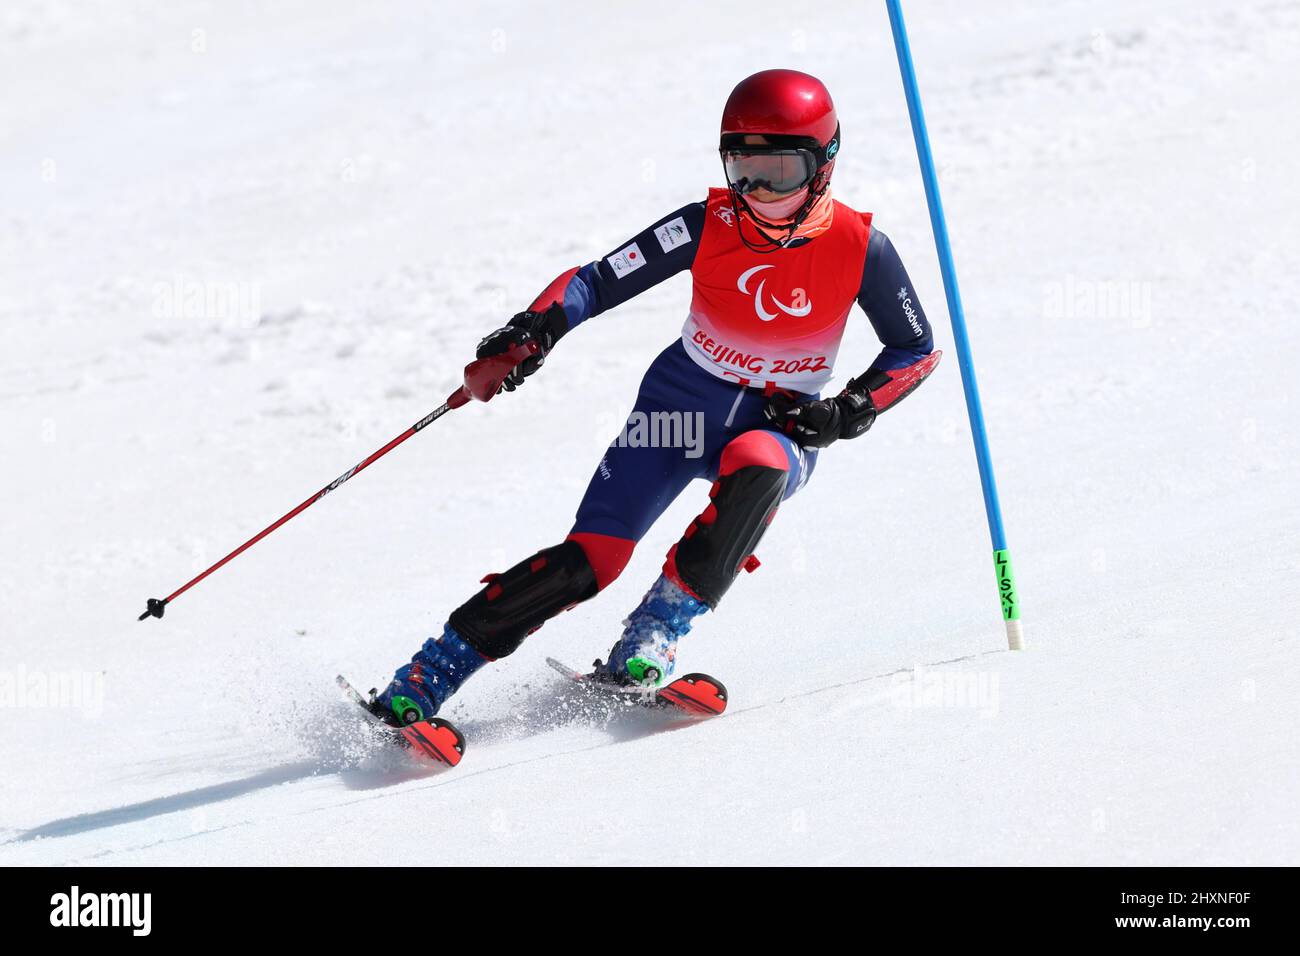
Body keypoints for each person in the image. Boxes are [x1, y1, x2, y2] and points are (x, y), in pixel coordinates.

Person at [368, 68, 939, 727]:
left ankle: (653, 634)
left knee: (763, 466)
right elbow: (595, 282)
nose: (755, 192)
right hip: (676, 413)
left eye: (776, 173)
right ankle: (426, 677)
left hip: (781, 424)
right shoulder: (708, 224)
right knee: (590, 561)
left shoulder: (861, 249)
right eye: (741, 169)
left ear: (822, 167)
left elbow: (915, 349)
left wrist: (846, 411)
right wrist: (538, 327)